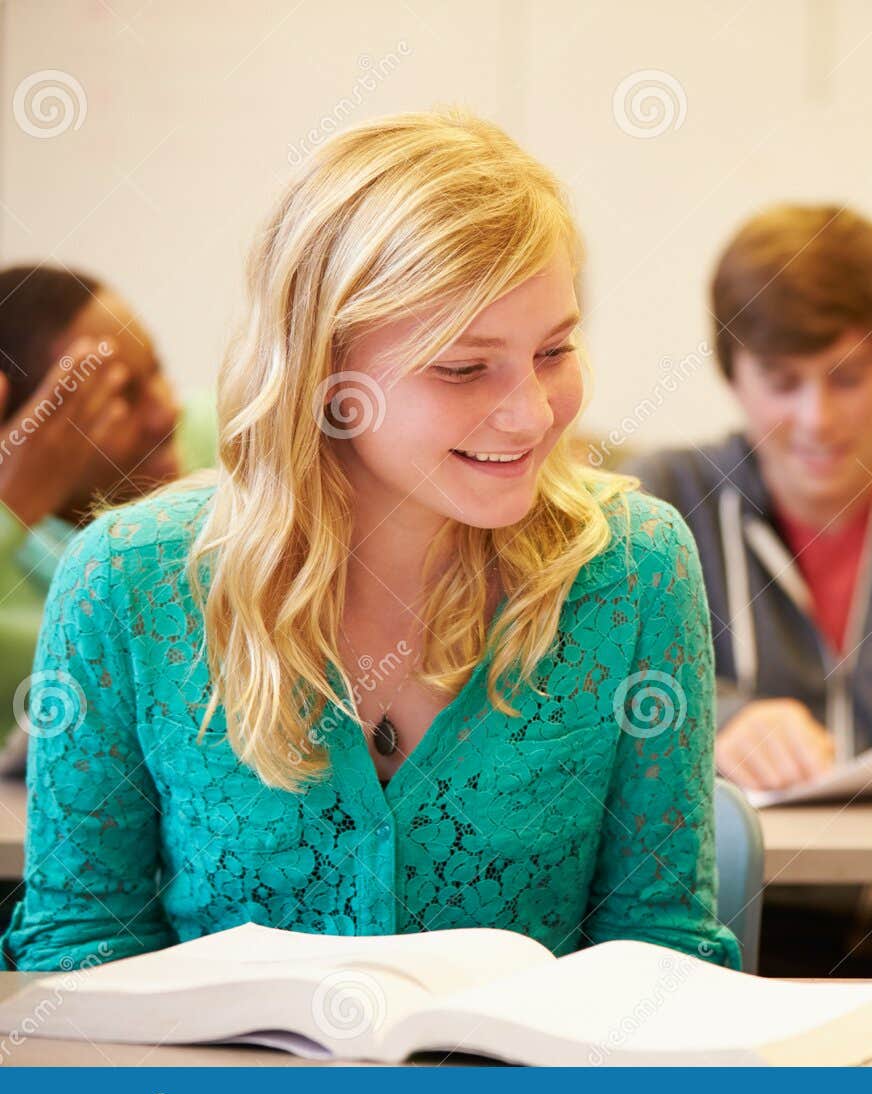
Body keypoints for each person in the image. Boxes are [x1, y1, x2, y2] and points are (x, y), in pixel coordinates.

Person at [2, 110, 737, 971]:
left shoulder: (634, 567)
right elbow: (78, 943)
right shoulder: (127, 579)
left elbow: (663, 949)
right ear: (325, 371)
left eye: (554, 351)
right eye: (463, 367)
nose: (533, 414)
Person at [629, 205, 872, 975]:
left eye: (847, 377)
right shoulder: (660, 506)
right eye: (782, 383)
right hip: (728, 946)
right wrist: (715, 723)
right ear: (733, 376)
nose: (817, 418)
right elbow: (589, 692)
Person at [0, 266, 209, 762]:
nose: (165, 412)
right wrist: (10, 505)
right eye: (123, 394)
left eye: (157, 371)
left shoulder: (216, 434)